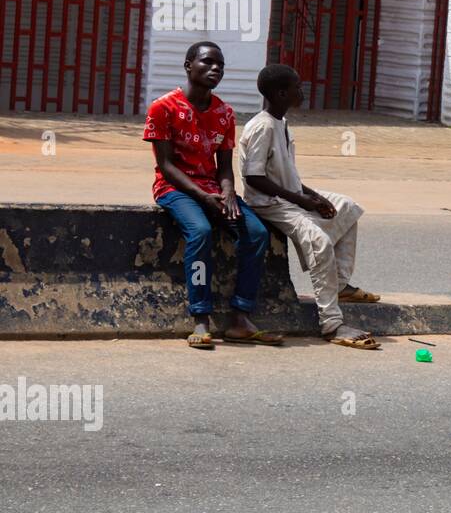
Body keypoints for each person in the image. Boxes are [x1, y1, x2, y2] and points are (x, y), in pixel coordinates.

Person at [143, 41, 282, 349]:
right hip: (175, 189)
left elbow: (224, 167)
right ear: (188, 65)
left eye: (220, 65)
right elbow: (165, 166)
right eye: (207, 63)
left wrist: (228, 192)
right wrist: (203, 196)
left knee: (256, 233)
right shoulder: (163, 108)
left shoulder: (224, 112)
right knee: (201, 231)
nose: (214, 69)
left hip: (213, 190)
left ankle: (241, 318)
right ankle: (201, 318)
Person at [239, 64, 382, 350]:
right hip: (269, 204)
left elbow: (288, 174)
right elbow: (253, 176)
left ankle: (339, 284)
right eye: (297, 87)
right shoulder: (262, 125)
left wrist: (315, 196)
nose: (301, 92)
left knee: (347, 207)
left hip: (289, 197)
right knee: (318, 242)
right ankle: (331, 323)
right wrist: (301, 201)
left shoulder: (281, 122)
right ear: (281, 93)